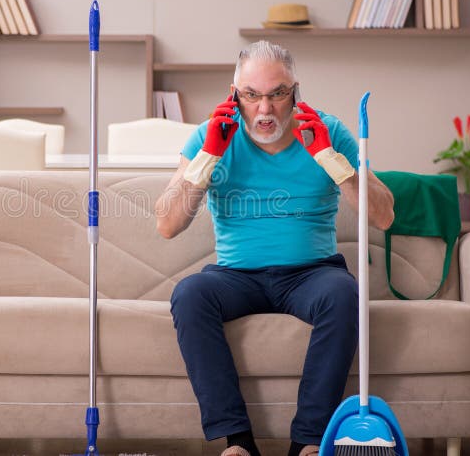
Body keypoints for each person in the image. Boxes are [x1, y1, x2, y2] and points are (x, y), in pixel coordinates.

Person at [154, 40, 395, 456]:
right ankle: (238, 442)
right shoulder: (211, 135)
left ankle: (307, 443)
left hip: (312, 274)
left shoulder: (328, 130)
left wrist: (329, 157)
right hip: (236, 277)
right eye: (251, 95)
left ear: (295, 92)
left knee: (344, 293)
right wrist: (209, 155)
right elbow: (167, 224)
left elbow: (384, 216)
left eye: (277, 94)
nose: (264, 110)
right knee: (189, 294)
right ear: (234, 96)